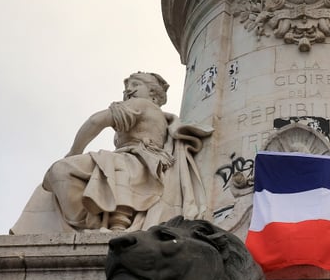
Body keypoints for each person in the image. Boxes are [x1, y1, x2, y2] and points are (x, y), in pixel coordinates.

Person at [12, 72, 210, 234]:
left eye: (135, 85)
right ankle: (93, 221)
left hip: (134, 163)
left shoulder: (142, 105)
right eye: (126, 87)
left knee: (60, 170)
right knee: (53, 182)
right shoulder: (154, 114)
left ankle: (88, 222)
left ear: (152, 94)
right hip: (131, 161)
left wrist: (74, 151)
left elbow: (96, 121)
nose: (128, 90)